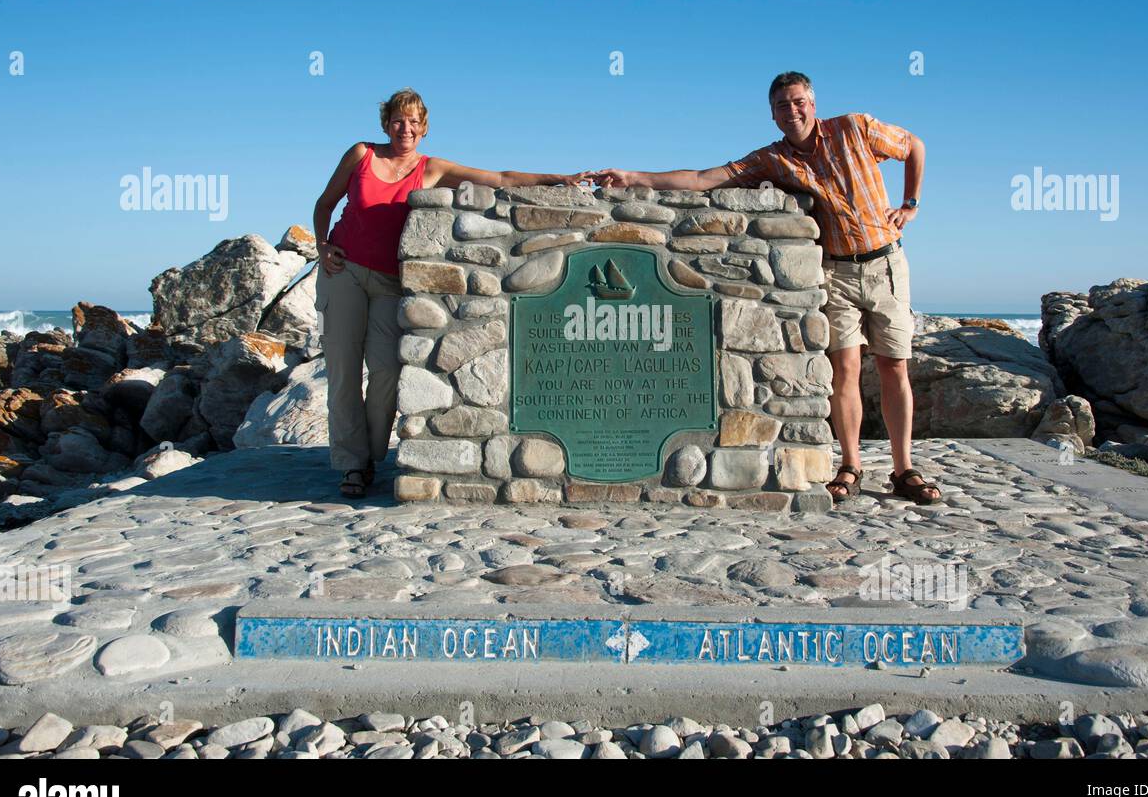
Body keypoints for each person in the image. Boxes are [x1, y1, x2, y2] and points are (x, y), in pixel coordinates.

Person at [592, 71, 940, 506]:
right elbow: (704, 178)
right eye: (782, 105)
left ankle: (904, 469)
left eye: (799, 102)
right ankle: (850, 465)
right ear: (773, 115)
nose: (792, 111)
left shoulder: (854, 128)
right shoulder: (774, 160)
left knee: (894, 368)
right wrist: (633, 177)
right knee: (846, 370)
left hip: (887, 264)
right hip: (836, 271)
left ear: (813, 103)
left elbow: (914, 146)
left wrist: (910, 204)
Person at [313, 88, 585, 497]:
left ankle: (370, 456)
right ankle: (352, 465)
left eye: (413, 122)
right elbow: (324, 203)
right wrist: (321, 245)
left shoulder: (430, 167)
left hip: (391, 280)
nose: (405, 128)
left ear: (423, 129)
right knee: (343, 373)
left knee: (387, 371)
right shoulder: (361, 155)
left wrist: (556, 179)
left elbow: (499, 179)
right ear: (386, 124)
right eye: (398, 121)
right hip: (344, 271)